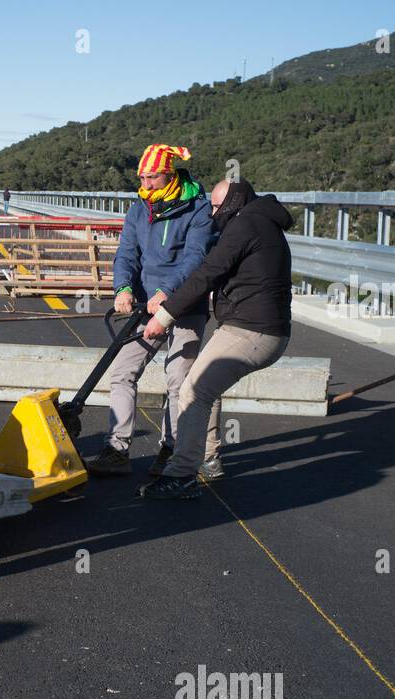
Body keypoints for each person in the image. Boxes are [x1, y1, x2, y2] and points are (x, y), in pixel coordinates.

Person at [139, 179, 293, 500]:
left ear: (233, 203)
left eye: (216, 206)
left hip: (251, 330)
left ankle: (181, 475)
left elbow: (207, 273)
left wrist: (164, 316)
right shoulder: (262, 222)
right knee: (206, 385)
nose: (212, 213)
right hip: (262, 329)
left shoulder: (245, 224)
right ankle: (207, 458)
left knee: (193, 390)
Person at [85, 144, 221, 479]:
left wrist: (167, 293)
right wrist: (124, 288)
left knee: (178, 380)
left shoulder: (198, 209)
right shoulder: (138, 208)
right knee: (123, 371)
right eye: (143, 177)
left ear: (170, 173)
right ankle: (117, 449)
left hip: (185, 304)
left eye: (153, 176)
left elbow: (195, 259)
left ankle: (170, 449)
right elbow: (127, 253)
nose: (147, 182)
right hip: (146, 306)